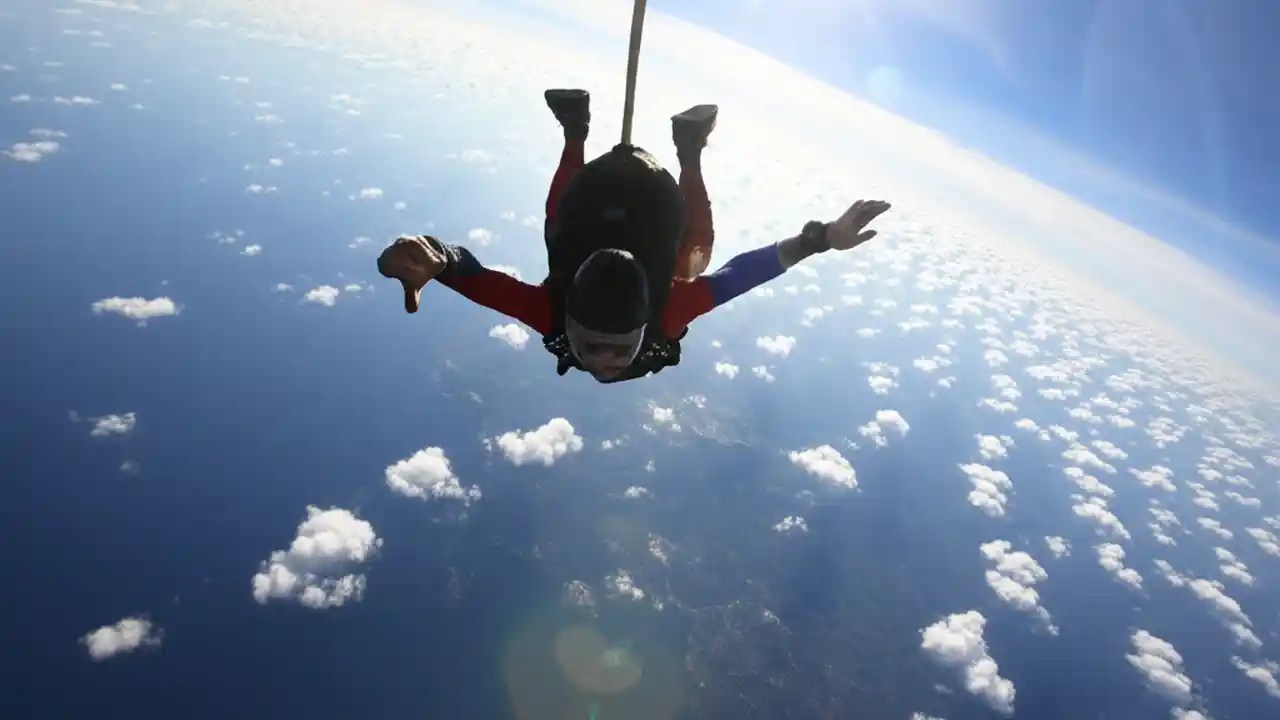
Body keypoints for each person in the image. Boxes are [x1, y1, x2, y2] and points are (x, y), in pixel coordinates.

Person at [378, 89, 892, 383]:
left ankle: (614, 136)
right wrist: (822, 237)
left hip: (608, 196)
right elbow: (744, 274)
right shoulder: (650, 314)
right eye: (615, 351)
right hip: (639, 198)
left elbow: (476, 279)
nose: (602, 360)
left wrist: (438, 259)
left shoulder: (571, 315)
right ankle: (621, 137)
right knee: (677, 264)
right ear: (640, 334)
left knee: (587, 244)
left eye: (593, 348)